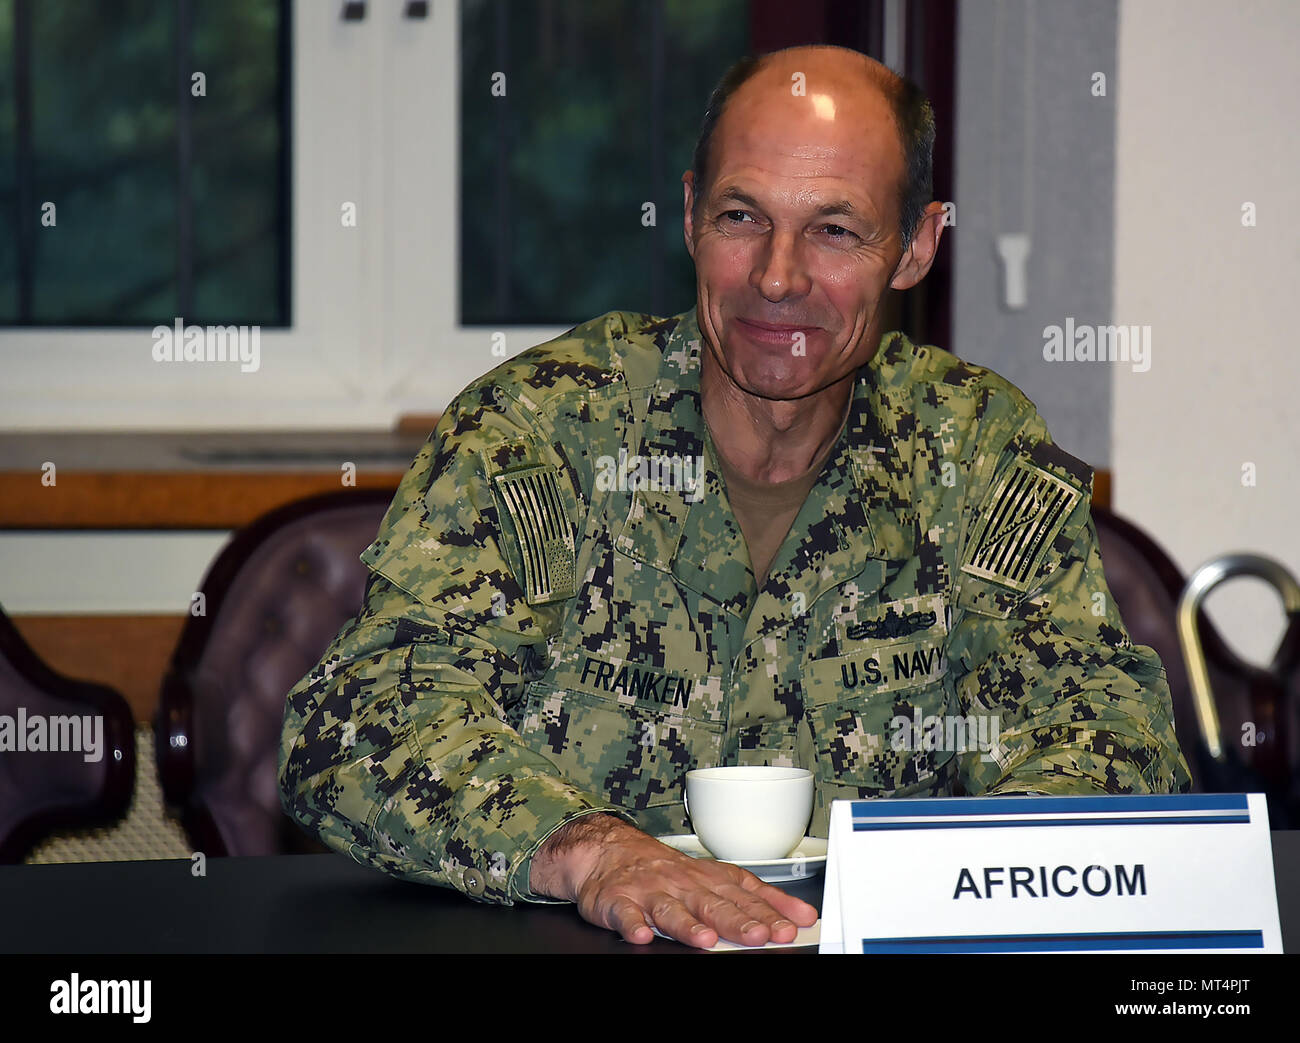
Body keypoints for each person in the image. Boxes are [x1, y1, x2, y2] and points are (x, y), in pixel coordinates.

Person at [278, 44, 1192, 949]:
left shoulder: (974, 446)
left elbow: (1107, 731)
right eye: (742, 216)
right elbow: (359, 718)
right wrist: (594, 854)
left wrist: (951, 892)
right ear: (688, 215)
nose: (778, 277)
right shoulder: (542, 429)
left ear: (915, 247)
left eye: (836, 230)